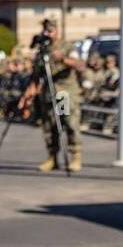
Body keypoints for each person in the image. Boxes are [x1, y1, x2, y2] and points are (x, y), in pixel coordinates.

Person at [32, 19, 84, 172]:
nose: (48, 34)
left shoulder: (67, 47)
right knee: (49, 126)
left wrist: (62, 58)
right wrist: (31, 92)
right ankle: (52, 157)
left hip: (63, 92)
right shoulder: (43, 50)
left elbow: (79, 64)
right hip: (48, 93)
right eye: (45, 31)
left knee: (68, 123)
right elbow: (36, 74)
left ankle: (75, 156)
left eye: (50, 31)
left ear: (57, 31)